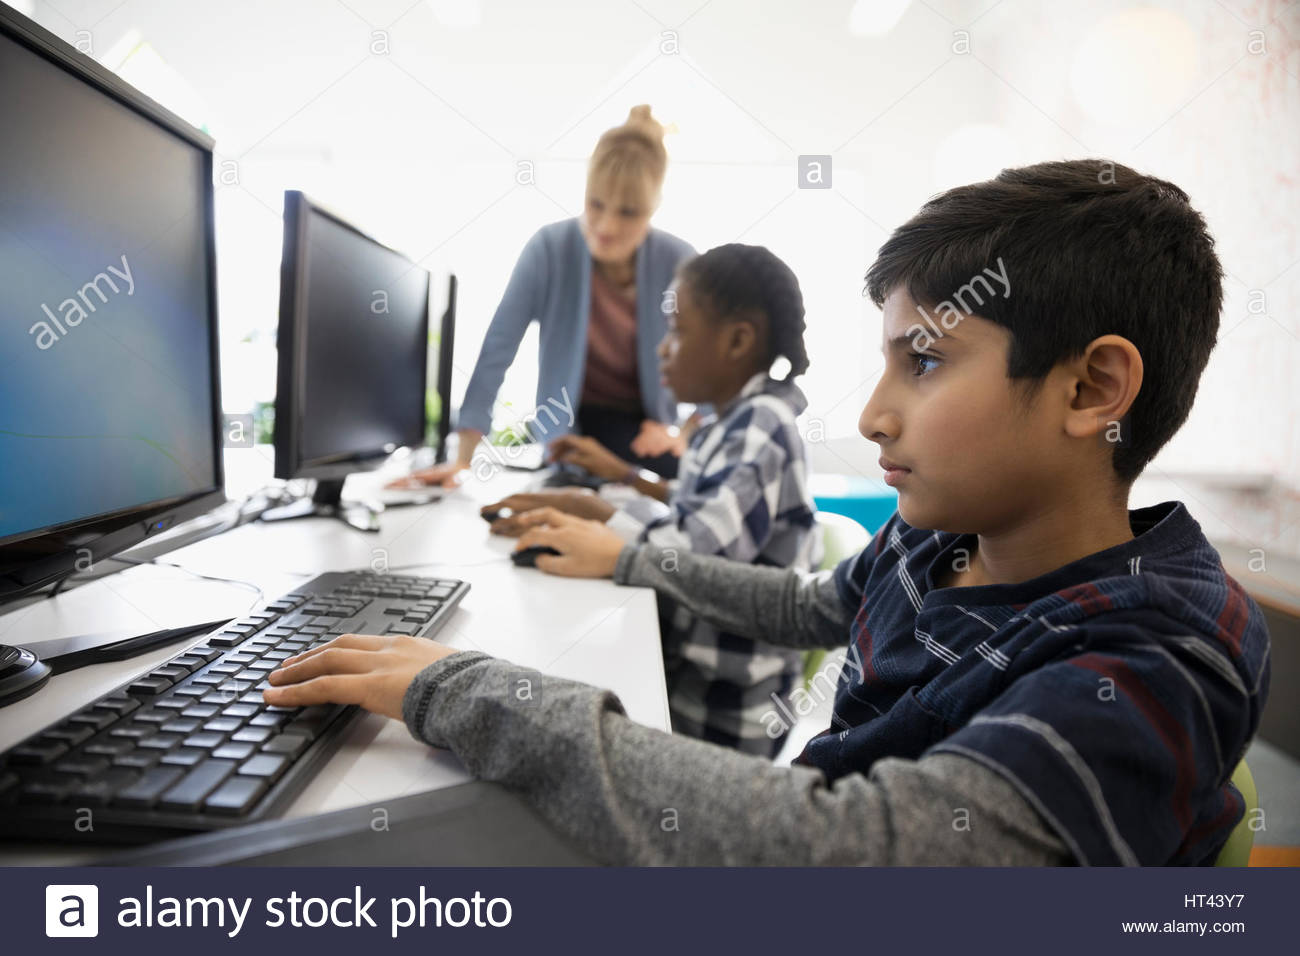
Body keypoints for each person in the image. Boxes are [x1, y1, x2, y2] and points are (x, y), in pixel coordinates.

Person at [266, 160, 1271, 866]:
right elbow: (811, 602)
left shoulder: (1153, 660)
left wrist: (488, 694)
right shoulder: (941, 537)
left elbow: (855, 853)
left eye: (921, 359)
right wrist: (626, 559)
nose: (873, 413)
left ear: (1091, 389)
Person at [480, 244, 820, 756]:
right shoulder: (724, 424)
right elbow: (693, 508)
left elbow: (690, 554)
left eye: (678, 331)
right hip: (695, 677)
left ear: (737, 340)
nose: (662, 348)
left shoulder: (761, 424)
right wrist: (612, 486)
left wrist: (603, 520)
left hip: (725, 711)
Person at [397, 105, 695, 488]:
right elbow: (498, 349)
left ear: (653, 209)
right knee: (571, 490)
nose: (606, 227)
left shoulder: (679, 261)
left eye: (628, 213)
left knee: (693, 480)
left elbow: (707, 364)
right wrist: (463, 460)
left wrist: (681, 433)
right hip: (570, 428)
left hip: (646, 429)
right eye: (596, 204)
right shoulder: (549, 249)